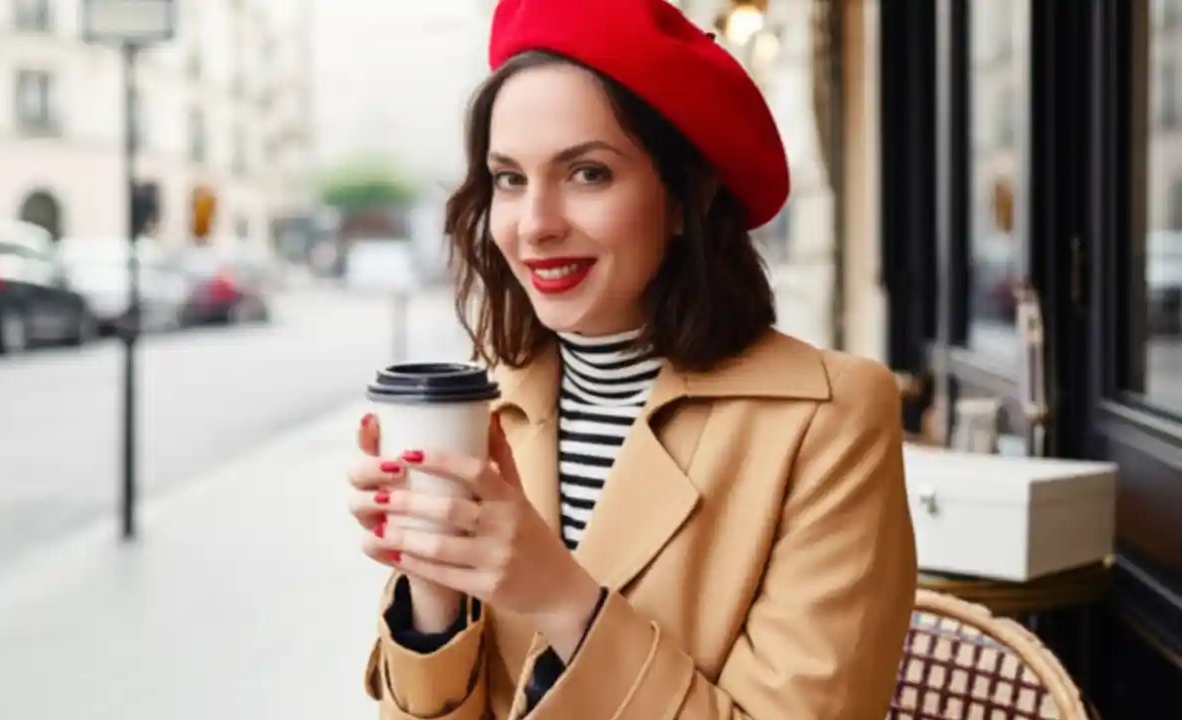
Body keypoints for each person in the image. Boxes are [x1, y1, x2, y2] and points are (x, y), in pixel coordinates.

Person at [346, 0, 917, 717]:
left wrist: (555, 592)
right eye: (509, 179)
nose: (535, 225)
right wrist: (434, 587)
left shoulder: (829, 418)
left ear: (684, 198)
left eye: (587, 174)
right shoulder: (496, 402)